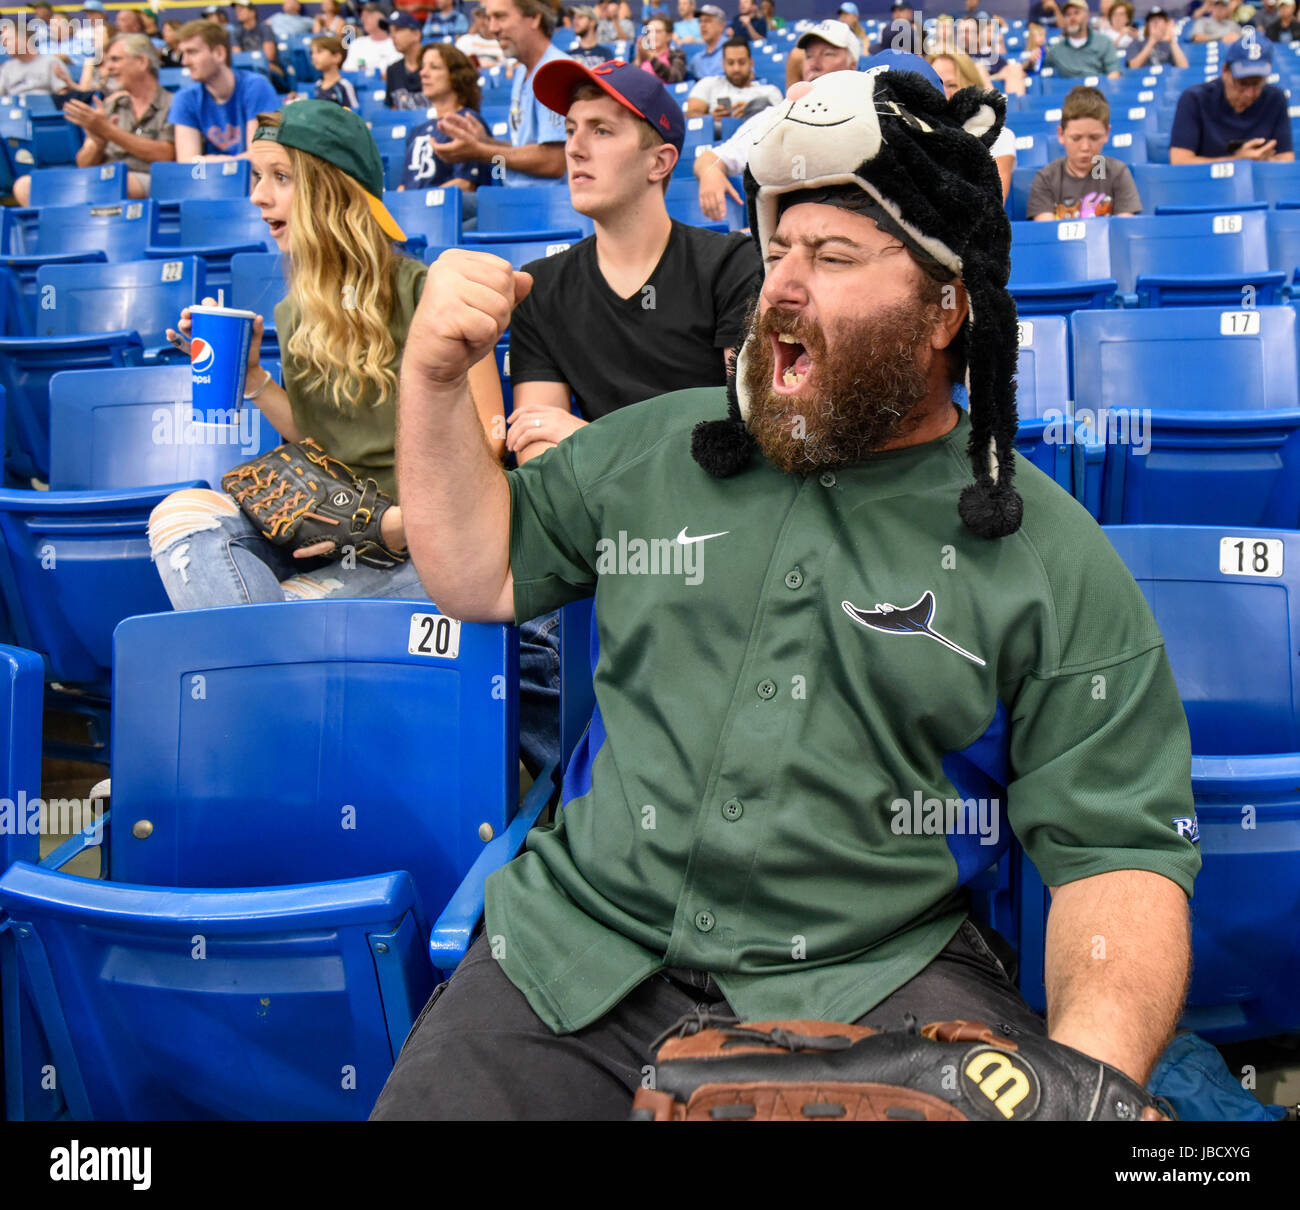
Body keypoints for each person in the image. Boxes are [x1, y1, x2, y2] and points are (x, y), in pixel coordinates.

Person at [373, 64, 1201, 1121]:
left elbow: (1116, 854)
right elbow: (478, 567)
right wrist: (437, 382)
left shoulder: (1047, 549)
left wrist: (1082, 1088)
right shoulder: (653, 447)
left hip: (879, 984)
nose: (782, 286)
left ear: (945, 306)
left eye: (834, 256)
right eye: (777, 252)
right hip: (569, 957)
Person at [149, 101, 505, 614]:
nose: (257, 196)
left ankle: (263, 663)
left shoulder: (427, 293)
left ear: (332, 191)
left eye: (279, 177)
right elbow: (322, 441)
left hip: (432, 539)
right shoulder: (293, 312)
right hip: (337, 528)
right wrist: (251, 377)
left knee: (291, 601)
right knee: (181, 518)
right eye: (255, 176)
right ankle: (277, 657)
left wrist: (399, 525)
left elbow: (491, 438)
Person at [504, 58, 761, 452]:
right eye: (571, 130)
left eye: (601, 131)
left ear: (659, 162)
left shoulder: (732, 266)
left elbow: (742, 435)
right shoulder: (539, 287)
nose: (574, 148)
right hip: (595, 511)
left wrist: (587, 438)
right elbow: (537, 450)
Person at [696, 18, 860, 220]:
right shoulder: (773, 117)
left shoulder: (871, 118)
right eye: (809, 56)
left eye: (828, 54)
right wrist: (710, 174)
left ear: (853, 66)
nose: (814, 64)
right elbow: (710, 160)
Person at [429, 0, 570, 187]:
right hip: (514, 199)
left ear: (535, 18)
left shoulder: (555, 72)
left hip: (546, 206)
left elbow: (554, 162)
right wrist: (485, 142)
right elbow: (529, 151)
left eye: (500, 17)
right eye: (489, 18)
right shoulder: (522, 72)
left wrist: (480, 151)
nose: (492, 28)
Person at [61, 34, 175, 196]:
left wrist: (108, 131)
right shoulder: (109, 106)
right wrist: (98, 143)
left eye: (115, 60)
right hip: (106, 180)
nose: (108, 68)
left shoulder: (171, 104)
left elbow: (165, 155)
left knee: (115, 183)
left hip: (151, 180)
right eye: (107, 61)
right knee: (27, 187)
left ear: (142, 62)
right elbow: (83, 166)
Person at [1170, 35, 1295, 161]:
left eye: (1257, 83)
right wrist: (1239, 161)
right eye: (1242, 83)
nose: (1249, 93)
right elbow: (1180, 160)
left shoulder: (1275, 98)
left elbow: (1286, 157)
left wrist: (1264, 161)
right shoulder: (1195, 99)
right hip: (1206, 180)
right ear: (1225, 71)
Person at [171, 19, 281, 159]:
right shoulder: (185, 98)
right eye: (182, 54)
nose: (185, 62)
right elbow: (188, 164)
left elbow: (260, 157)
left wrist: (210, 162)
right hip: (209, 180)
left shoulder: (256, 87)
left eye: (192, 52)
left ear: (219, 53)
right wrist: (231, 164)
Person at [1029, 86, 1143, 218]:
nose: (1085, 147)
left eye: (1094, 138)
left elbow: (1124, 229)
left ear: (1107, 134)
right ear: (1061, 134)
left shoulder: (1118, 173)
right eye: (1076, 138)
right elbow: (1047, 234)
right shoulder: (1046, 179)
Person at [398, 42, 494, 196]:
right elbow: (404, 185)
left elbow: (465, 185)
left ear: (456, 76)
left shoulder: (467, 122)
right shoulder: (417, 131)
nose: (423, 73)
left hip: (449, 214)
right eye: (422, 67)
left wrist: (418, 203)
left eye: (434, 67)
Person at [929, 51, 1017, 199]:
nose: (943, 95)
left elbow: (990, 208)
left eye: (952, 85)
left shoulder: (999, 138)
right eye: (935, 85)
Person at [685, 36, 781, 122]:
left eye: (742, 62)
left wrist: (754, 110)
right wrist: (711, 118)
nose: (736, 68)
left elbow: (782, 122)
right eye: (730, 63)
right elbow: (689, 116)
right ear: (723, 64)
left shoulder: (770, 92)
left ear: (751, 63)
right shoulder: (708, 83)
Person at [1044, 0, 1122, 76]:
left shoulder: (1104, 43)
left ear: (1087, 17)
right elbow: (1043, 71)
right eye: (1068, 14)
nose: (1072, 18)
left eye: (1076, 13)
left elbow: (1114, 73)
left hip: (1096, 87)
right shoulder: (1056, 50)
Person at [232, 0, 289, 91]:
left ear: (252, 12)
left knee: (265, 67)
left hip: (269, 67)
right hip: (248, 68)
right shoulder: (236, 32)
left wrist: (251, 60)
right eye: (237, 10)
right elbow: (238, 58)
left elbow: (269, 57)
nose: (238, 12)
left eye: (242, 9)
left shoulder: (265, 28)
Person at [0, 29, 74, 94]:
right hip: (14, 108)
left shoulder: (51, 62)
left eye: (8, 39)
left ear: (26, 39)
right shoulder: (7, 67)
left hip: (44, 107)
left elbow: (64, 95)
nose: (4, 44)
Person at [343, 3, 403, 74]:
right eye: (362, 16)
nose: (363, 19)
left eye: (368, 16)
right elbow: (347, 70)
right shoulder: (357, 43)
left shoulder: (397, 43)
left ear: (382, 18)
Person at [385, 12, 425, 106]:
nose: (393, 36)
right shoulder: (393, 70)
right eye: (390, 31)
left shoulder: (436, 66)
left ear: (416, 34)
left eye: (398, 30)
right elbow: (393, 110)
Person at [310, 34, 359, 107]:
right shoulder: (317, 85)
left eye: (319, 52)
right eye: (312, 53)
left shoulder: (344, 86)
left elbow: (353, 113)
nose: (313, 56)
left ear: (336, 57)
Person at [635, 14, 687, 80]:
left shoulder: (677, 55)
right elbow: (631, 80)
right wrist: (638, 59)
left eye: (658, 31)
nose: (653, 35)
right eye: (649, 31)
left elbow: (675, 77)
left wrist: (652, 58)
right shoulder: (644, 55)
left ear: (669, 36)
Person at [688, 3, 729, 79]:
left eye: (707, 21)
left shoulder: (733, 50)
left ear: (721, 25)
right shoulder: (696, 60)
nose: (702, 25)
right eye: (700, 21)